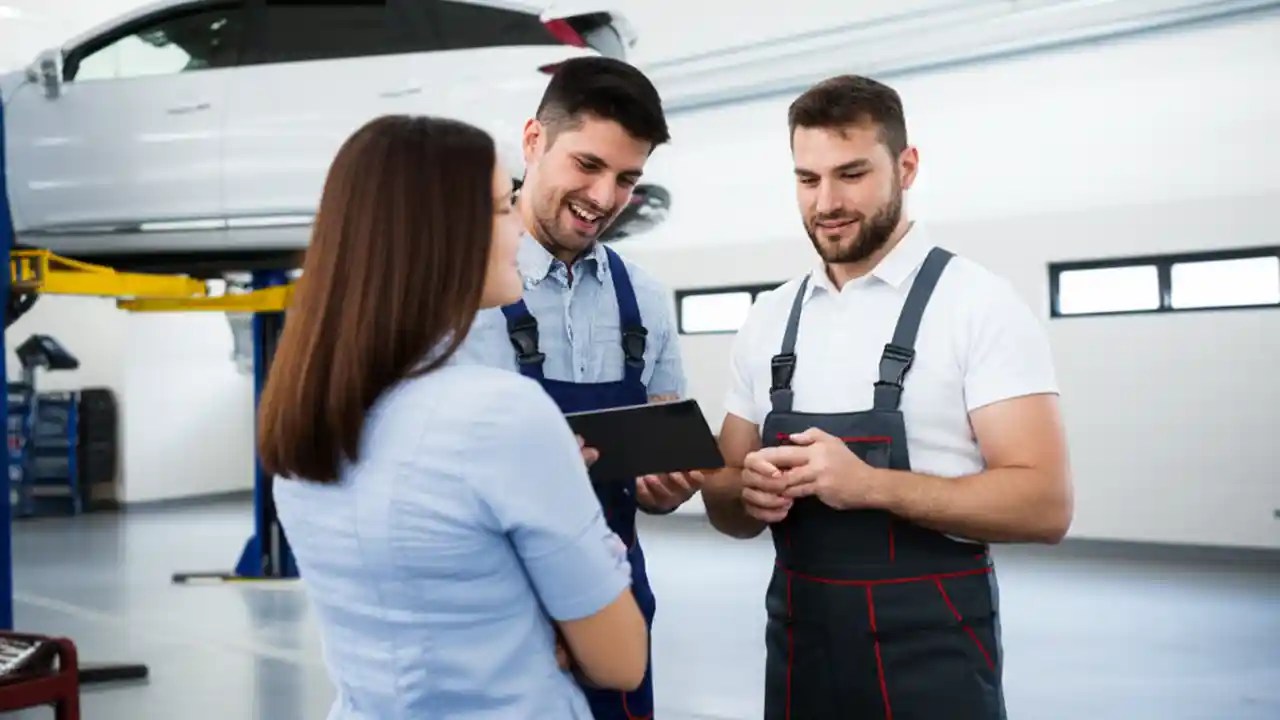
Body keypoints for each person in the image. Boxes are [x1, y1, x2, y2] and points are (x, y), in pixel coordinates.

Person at [701, 74, 1074, 719]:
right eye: (808, 179)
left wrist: (871, 486)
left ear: (907, 167)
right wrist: (746, 491)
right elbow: (726, 508)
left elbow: (1044, 506)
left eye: (852, 174)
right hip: (799, 648)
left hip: (933, 654)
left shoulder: (977, 304)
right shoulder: (769, 318)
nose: (827, 202)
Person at [257, 115, 649, 718]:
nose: (520, 225)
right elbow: (621, 661)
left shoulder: (306, 416)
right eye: (500, 208)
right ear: (435, 237)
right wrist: (568, 502)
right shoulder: (502, 413)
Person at [456, 56, 700, 719]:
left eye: (627, 179)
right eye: (587, 166)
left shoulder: (644, 300)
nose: (604, 197)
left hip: (616, 601)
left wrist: (667, 485)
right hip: (494, 613)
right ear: (534, 141)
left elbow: (661, 456)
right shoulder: (459, 288)